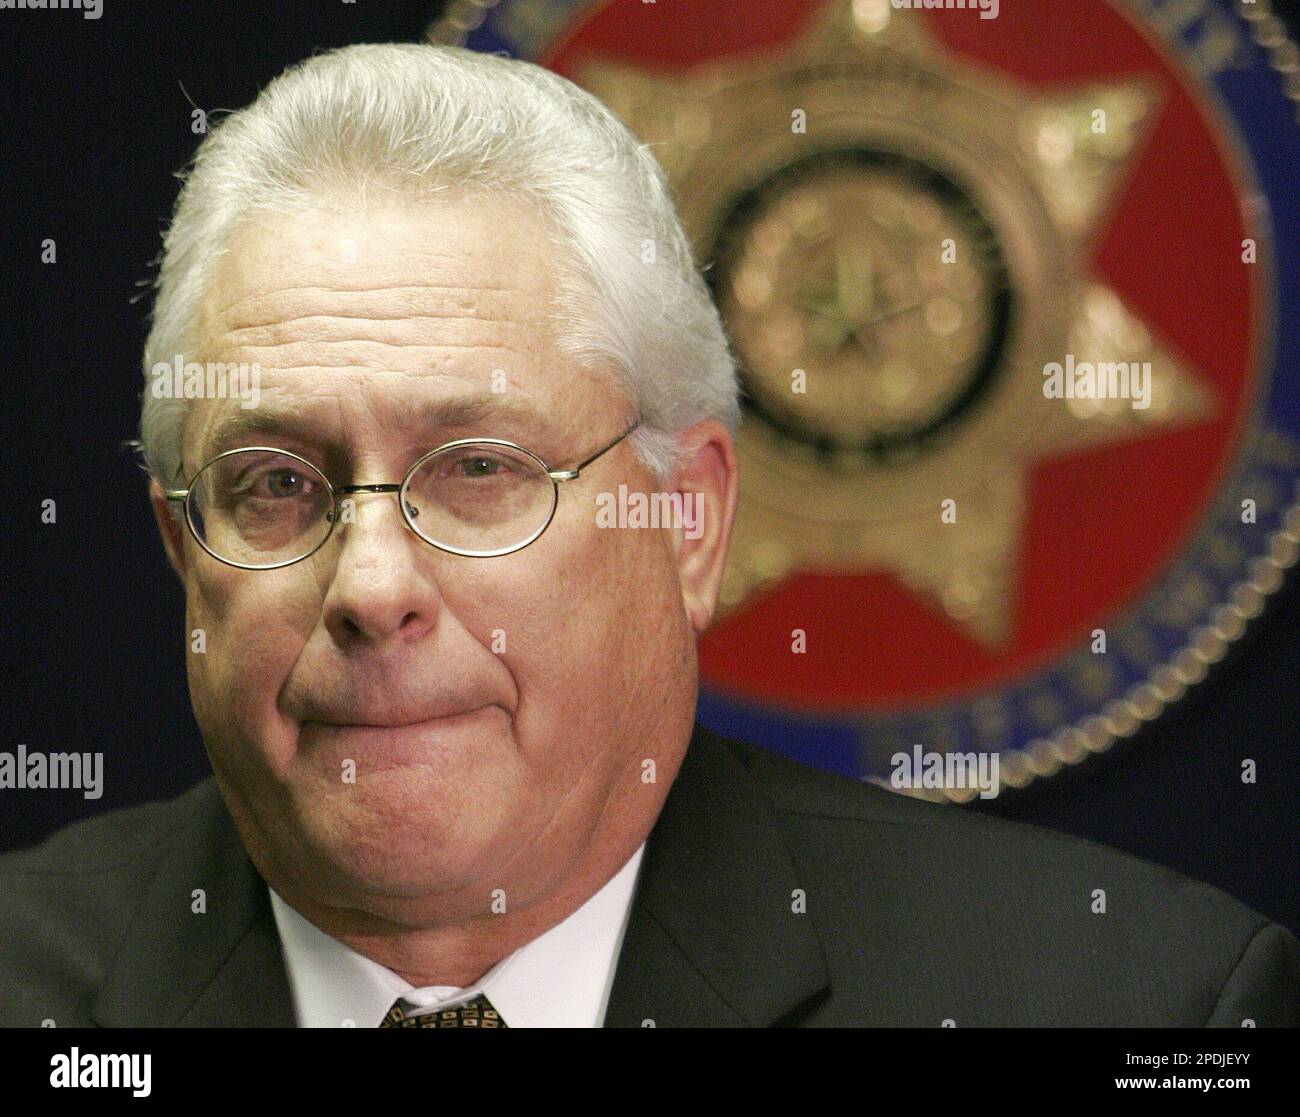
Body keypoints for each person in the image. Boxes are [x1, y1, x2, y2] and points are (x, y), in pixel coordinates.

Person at [1, 43, 1294, 1028]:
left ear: (688, 521)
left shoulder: (1131, 999)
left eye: (481, 469)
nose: (372, 583)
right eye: (276, 484)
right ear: (182, 550)